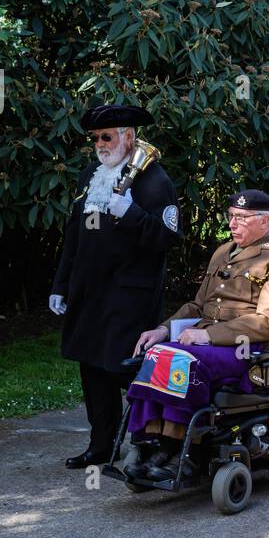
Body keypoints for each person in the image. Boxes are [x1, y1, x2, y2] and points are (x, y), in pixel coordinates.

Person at [127, 190, 269, 481]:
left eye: (242, 218)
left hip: (249, 348)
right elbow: (198, 306)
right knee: (158, 352)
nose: (233, 224)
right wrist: (161, 329)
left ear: (264, 221)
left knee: (182, 360)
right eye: (231, 216)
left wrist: (208, 337)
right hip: (210, 342)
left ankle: (183, 451)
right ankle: (156, 441)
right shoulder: (223, 252)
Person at [51, 101, 182, 469]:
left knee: (123, 367)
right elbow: (74, 236)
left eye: (106, 137)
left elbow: (169, 236)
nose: (100, 144)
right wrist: (60, 285)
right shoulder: (90, 175)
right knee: (92, 369)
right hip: (89, 293)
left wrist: (133, 215)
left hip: (130, 295)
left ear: (128, 136)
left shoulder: (155, 179)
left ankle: (153, 440)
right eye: (95, 138)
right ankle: (102, 445)